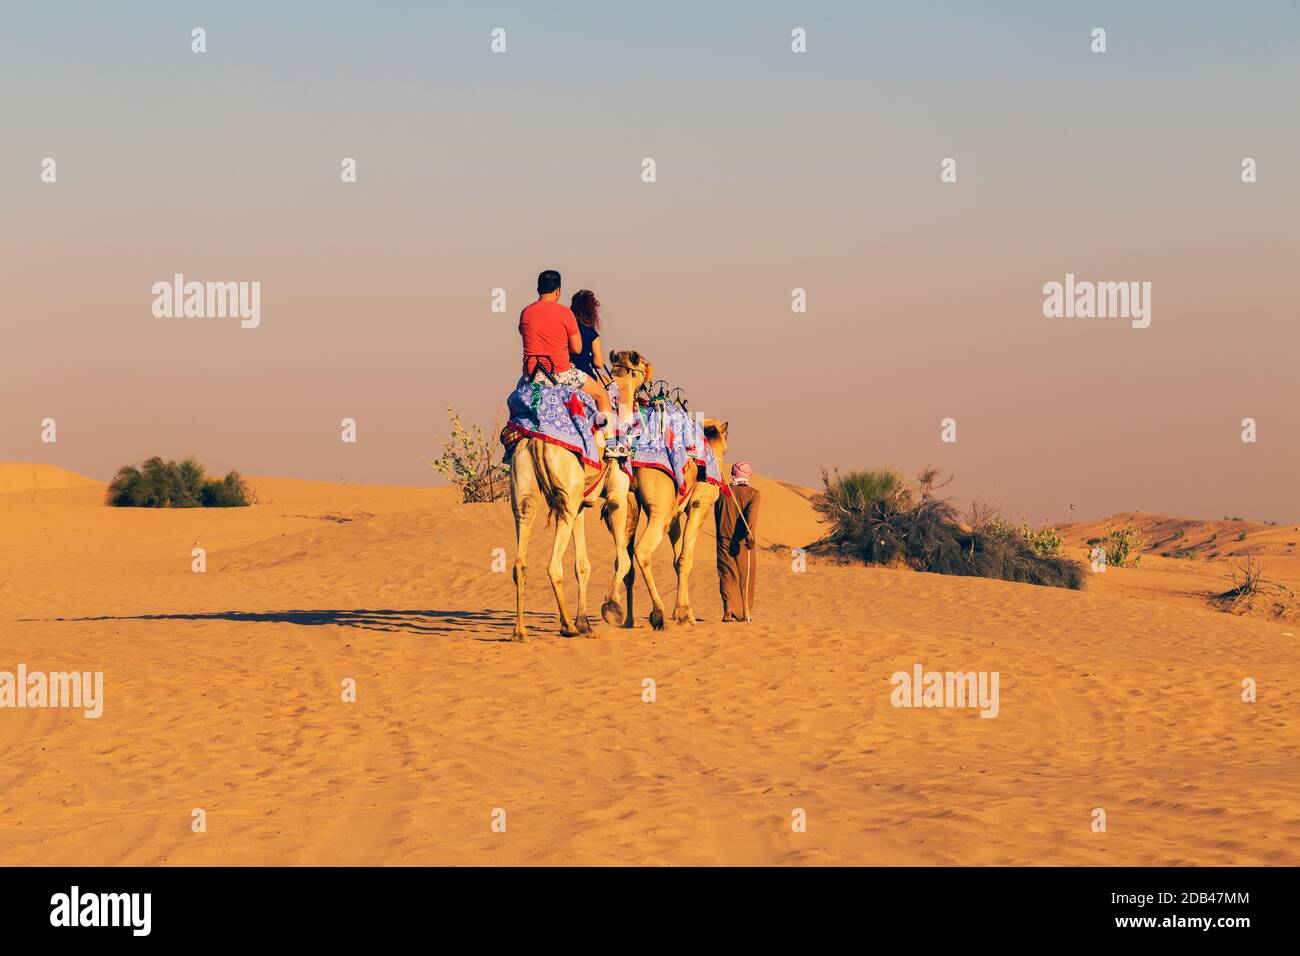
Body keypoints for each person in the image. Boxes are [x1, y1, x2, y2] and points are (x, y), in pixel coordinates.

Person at [518, 270, 627, 457]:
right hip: (561, 374)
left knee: (517, 400)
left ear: (538, 288)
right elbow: (576, 348)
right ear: (558, 291)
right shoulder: (565, 314)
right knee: (602, 396)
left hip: (532, 375)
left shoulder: (525, 313)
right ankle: (610, 444)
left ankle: (513, 440)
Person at [715, 461, 761, 622]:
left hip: (723, 540)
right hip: (743, 542)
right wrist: (750, 535)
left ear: (733, 474)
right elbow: (751, 517)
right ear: (749, 475)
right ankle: (744, 612)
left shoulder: (722, 491)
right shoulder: (753, 494)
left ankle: (728, 609)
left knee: (726, 575)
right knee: (745, 577)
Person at [568, 289, 605, 380]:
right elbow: (599, 363)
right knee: (604, 391)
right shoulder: (591, 334)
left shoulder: (565, 328)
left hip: (562, 373)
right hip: (584, 375)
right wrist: (588, 358)